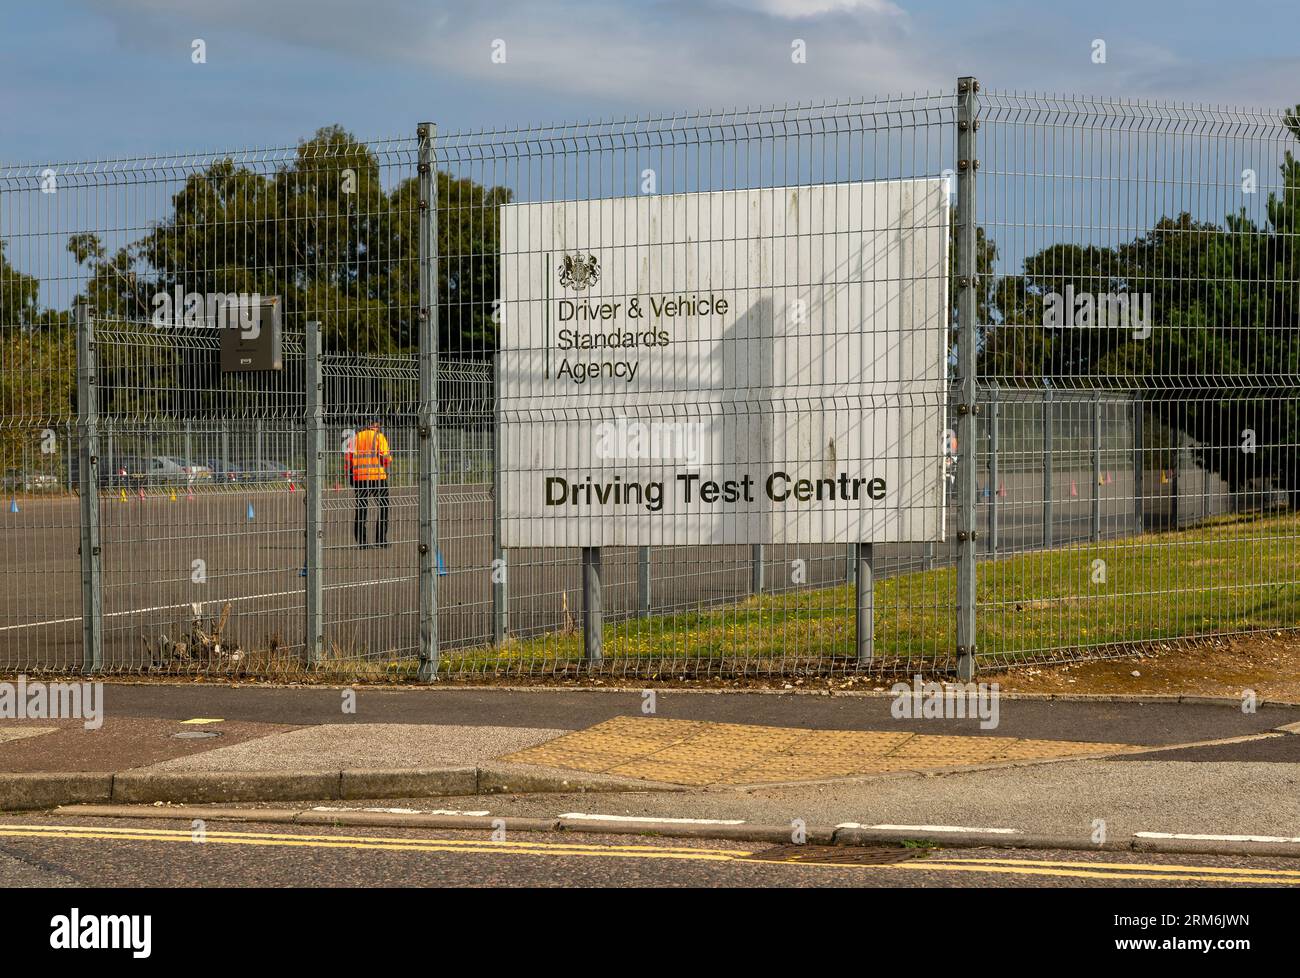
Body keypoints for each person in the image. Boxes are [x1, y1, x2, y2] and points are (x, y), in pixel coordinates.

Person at [346, 419, 391, 549]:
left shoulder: (355, 438)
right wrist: (386, 462)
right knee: (383, 507)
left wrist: (351, 475)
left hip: (359, 477)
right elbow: (385, 457)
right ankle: (381, 540)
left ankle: (362, 542)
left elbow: (348, 459)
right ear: (376, 425)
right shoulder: (379, 437)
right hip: (377, 477)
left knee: (361, 508)